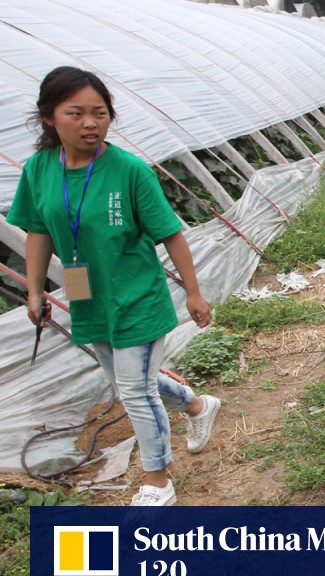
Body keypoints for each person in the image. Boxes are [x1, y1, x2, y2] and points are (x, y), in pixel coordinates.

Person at [9, 66, 222, 507]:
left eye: (100, 113)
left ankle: (158, 481)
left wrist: (193, 292)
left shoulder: (129, 170)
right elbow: (37, 231)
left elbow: (171, 234)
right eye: (76, 113)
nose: (90, 123)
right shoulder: (39, 169)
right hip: (88, 296)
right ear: (49, 117)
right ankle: (198, 406)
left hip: (136, 296)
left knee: (135, 391)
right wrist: (34, 290)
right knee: (131, 383)